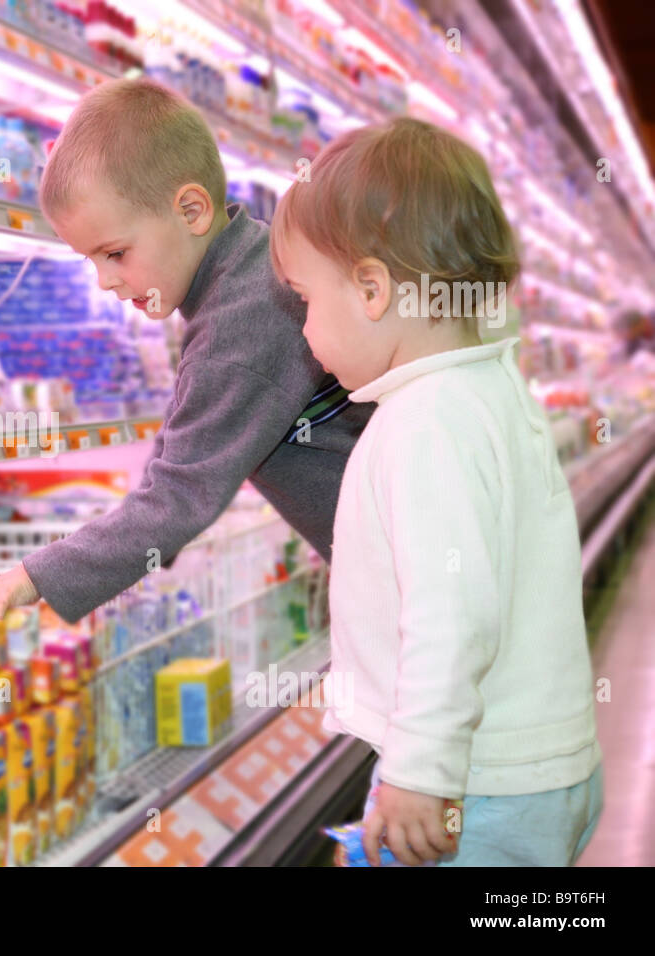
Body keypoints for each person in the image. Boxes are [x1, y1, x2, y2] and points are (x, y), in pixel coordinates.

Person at [0, 77, 372, 626]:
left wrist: (29, 578)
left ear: (191, 211)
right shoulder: (244, 271)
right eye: (92, 261)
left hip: (408, 574)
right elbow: (177, 465)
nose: (105, 281)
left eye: (115, 252)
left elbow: (177, 497)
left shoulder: (244, 321)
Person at [269, 116, 603, 866]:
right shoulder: (489, 389)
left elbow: (451, 613)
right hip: (535, 769)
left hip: (472, 787)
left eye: (307, 301)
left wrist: (420, 772)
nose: (306, 334)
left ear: (373, 289)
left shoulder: (426, 424)